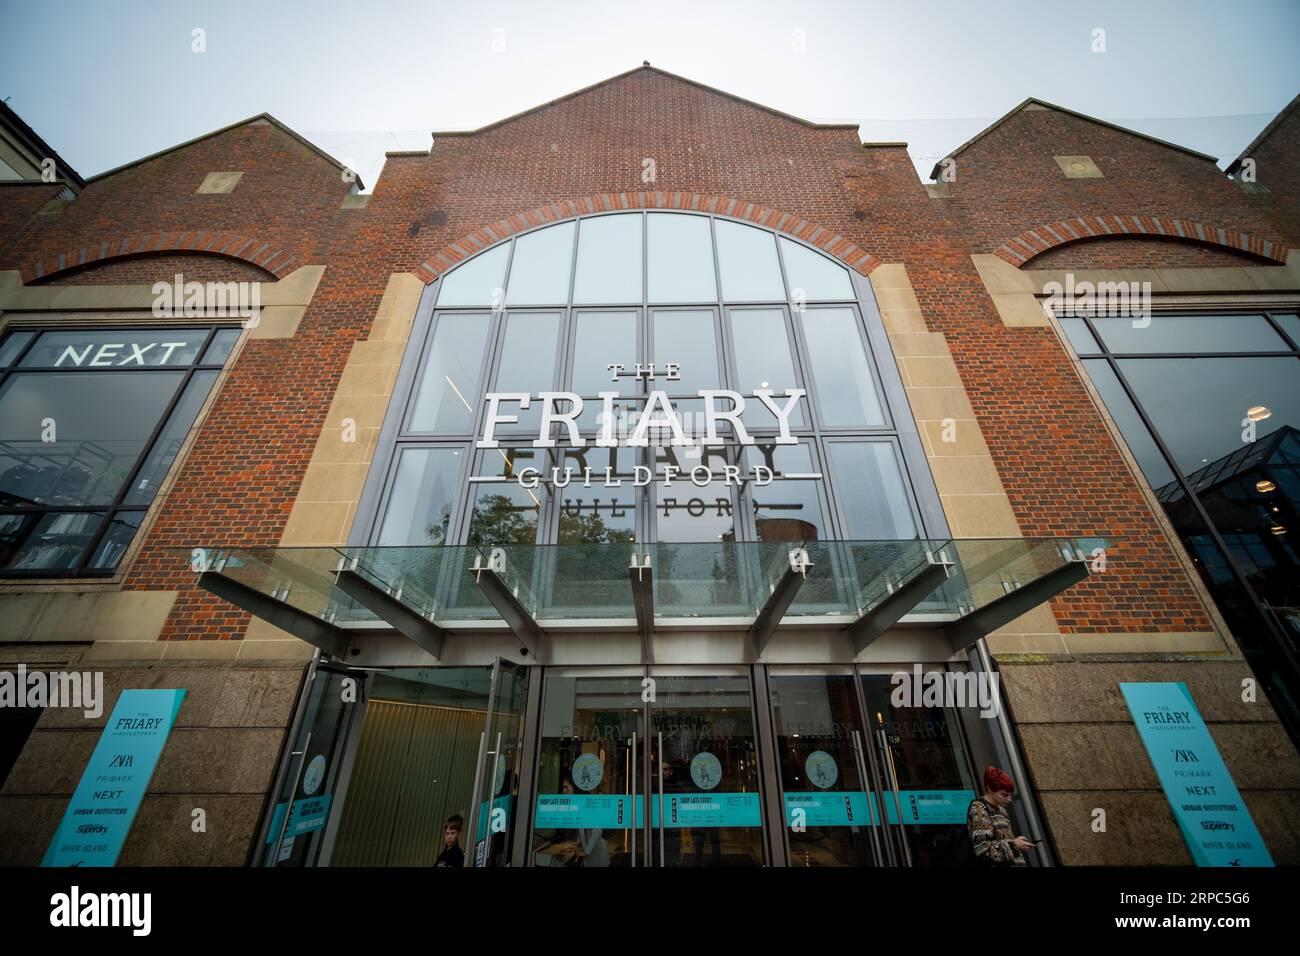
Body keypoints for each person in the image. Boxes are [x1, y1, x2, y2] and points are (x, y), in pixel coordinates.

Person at [966, 766, 1034, 866]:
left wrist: (1017, 845)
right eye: (1004, 795)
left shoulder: (1001, 809)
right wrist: (1015, 845)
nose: (1009, 799)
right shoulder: (979, 808)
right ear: (989, 789)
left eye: (1010, 795)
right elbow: (983, 850)